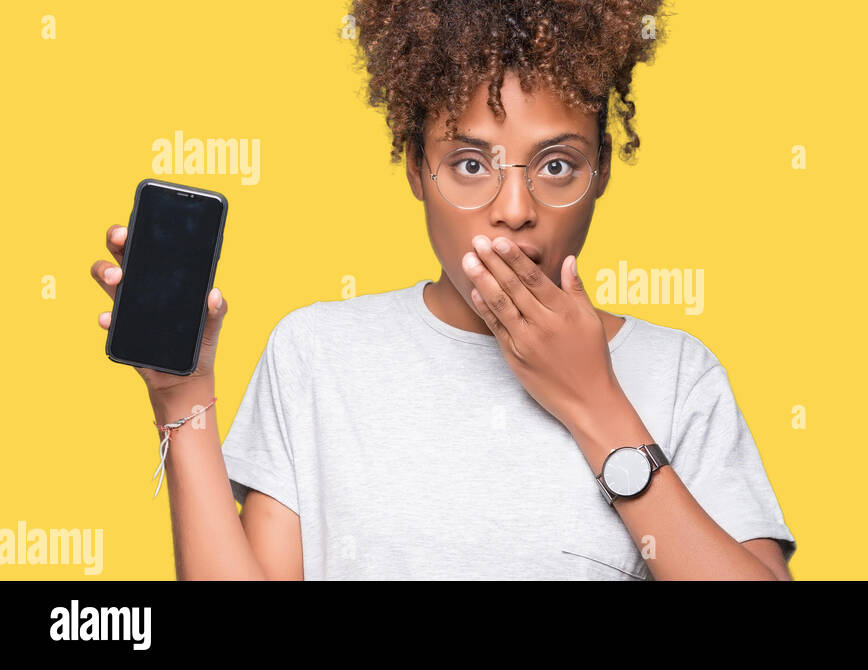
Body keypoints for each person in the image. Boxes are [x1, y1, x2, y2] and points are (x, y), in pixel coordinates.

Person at [91, 0, 795, 580]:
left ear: (602, 170)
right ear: (414, 169)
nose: (515, 207)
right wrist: (181, 400)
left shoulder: (679, 376)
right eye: (467, 162)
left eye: (556, 165)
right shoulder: (316, 355)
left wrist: (597, 404)